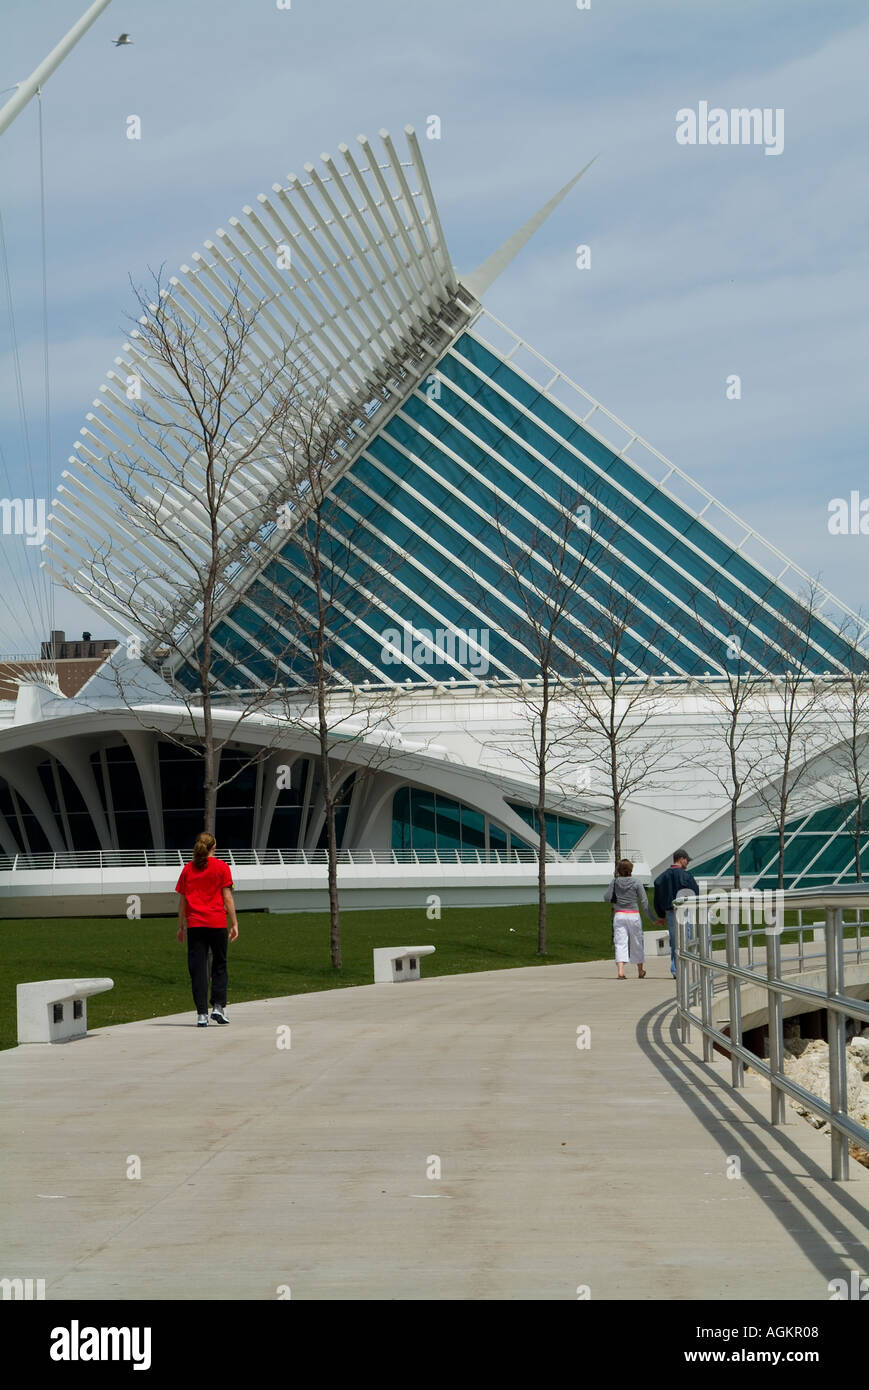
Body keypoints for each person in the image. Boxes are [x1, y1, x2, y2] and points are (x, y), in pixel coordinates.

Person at [176, 832, 238, 1027]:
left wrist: (181, 926)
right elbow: (227, 897)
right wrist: (234, 923)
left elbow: (182, 901)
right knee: (219, 965)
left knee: (198, 969)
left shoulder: (188, 869)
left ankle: (201, 1014)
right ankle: (218, 1006)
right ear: (214, 847)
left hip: (195, 925)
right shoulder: (222, 867)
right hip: (217, 923)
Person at [603, 858, 662, 979]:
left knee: (620, 942)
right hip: (633, 915)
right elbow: (644, 902)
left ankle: (620, 971)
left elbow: (606, 897)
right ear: (631, 869)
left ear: (618, 870)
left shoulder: (615, 882)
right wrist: (653, 919)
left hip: (619, 914)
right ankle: (640, 971)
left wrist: (616, 899)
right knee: (637, 942)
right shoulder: (637, 882)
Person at [653, 849, 700, 980]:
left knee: (675, 940)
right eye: (687, 860)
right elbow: (695, 893)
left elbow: (657, 896)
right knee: (685, 938)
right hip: (684, 911)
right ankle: (679, 967)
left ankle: (676, 969)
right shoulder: (686, 875)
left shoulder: (662, 877)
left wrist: (661, 914)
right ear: (681, 859)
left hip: (670, 912)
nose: (688, 863)